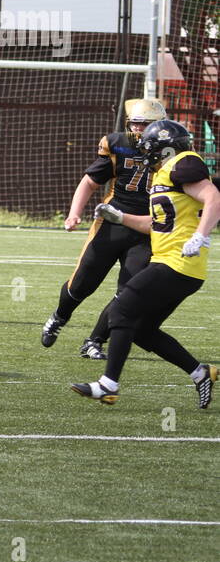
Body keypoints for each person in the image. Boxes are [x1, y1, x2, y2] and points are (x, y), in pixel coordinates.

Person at [71, 120, 220, 408]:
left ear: (164, 148)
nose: (145, 154)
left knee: (121, 310)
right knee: (142, 330)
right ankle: (200, 372)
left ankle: (108, 385)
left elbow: (213, 196)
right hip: (178, 266)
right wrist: (120, 217)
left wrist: (201, 236)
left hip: (177, 262)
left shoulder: (183, 162)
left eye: (150, 148)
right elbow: (157, 224)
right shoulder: (166, 173)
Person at [42, 97, 166, 358]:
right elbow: (89, 182)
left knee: (129, 293)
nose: (139, 130)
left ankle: (94, 341)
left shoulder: (173, 150)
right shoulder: (118, 144)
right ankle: (59, 317)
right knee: (82, 284)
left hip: (146, 230)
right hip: (112, 222)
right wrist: (74, 214)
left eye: (146, 125)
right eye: (136, 124)